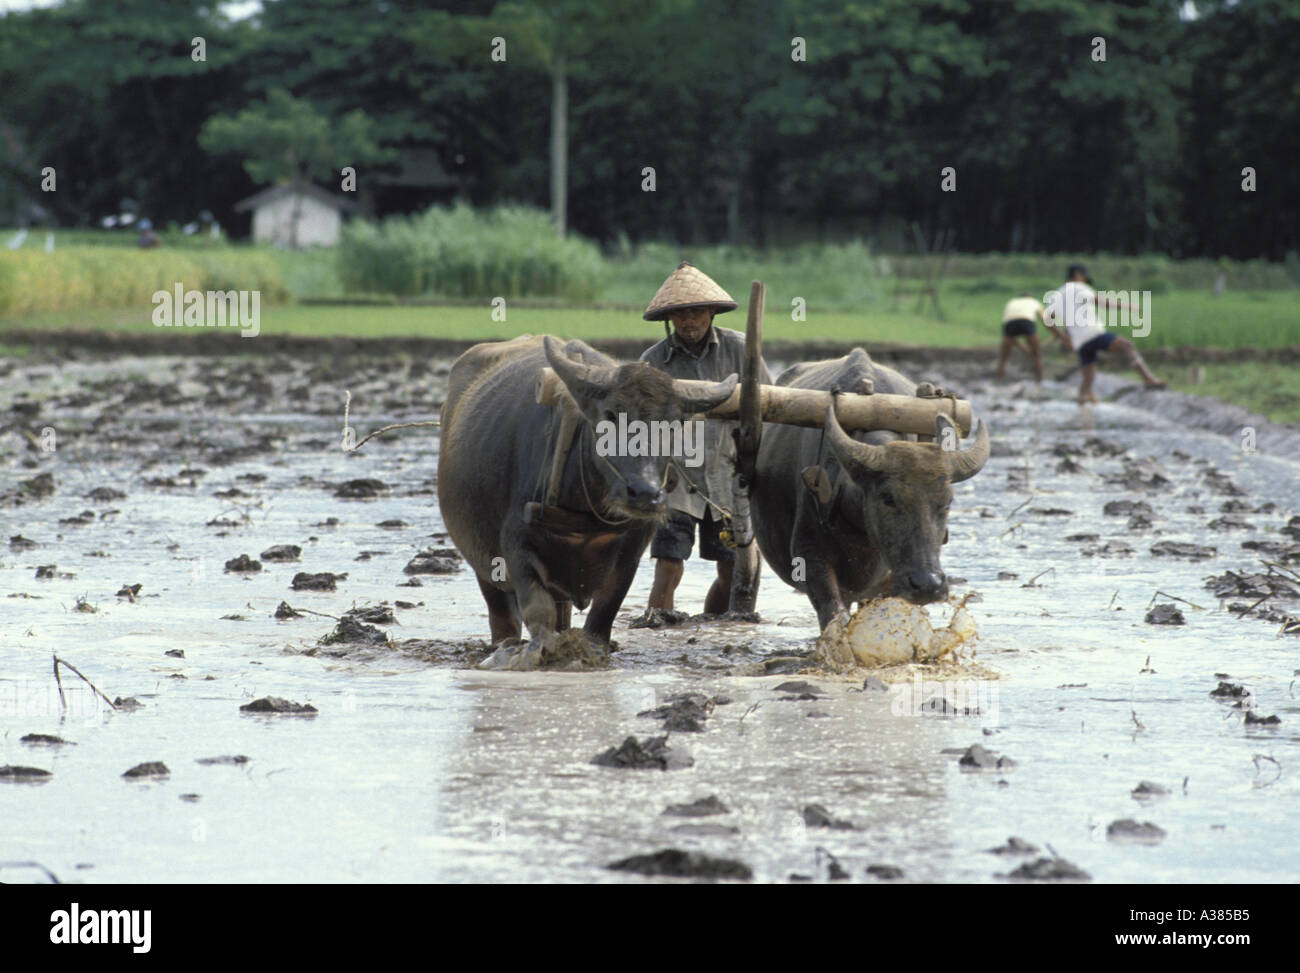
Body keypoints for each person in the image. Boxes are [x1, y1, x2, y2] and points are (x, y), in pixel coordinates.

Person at [639, 262, 771, 615]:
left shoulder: (740, 350)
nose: (689, 321)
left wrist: (756, 465)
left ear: (711, 312)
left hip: (727, 478)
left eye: (697, 312)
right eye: (681, 314)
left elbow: (771, 410)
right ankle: (657, 626)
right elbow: (639, 426)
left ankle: (713, 630)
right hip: (677, 479)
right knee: (668, 566)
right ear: (670, 319)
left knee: (731, 569)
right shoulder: (653, 362)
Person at [1043, 263, 1166, 404]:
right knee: (1127, 346)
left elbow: (1047, 320)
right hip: (1092, 334)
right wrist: (1128, 306)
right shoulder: (1078, 287)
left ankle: (1083, 408)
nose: (1084, 281)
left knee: (1088, 379)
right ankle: (1149, 379)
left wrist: (1064, 338)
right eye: (1084, 277)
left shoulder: (1056, 295)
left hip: (1079, 342)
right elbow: (1103, 303)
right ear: (1077, 275)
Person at [996, 291, 1047, 382]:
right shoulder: (1034, 302)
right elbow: (1046, 322)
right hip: (1027, 321)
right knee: (1037, 355)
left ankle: (999, 380)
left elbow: (1013, 339)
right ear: (1030, 298)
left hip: (1009, 323)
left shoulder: (1012, 302)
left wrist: (1024, 349)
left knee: (1004, 357)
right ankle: (1039, 382)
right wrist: (1061, 336)